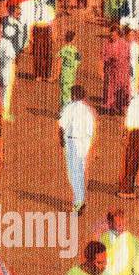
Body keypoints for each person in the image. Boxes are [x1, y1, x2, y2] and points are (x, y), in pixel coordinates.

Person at [59, 85, 96, 214]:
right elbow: (90, 131)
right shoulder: (87, 110)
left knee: (73, 173)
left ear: (74, 95)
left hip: (71, 141)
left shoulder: (69, 107)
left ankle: (78, 202)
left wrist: (61, 141)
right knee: (80, 171)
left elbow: (62, 126)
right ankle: (80, 200)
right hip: (83, 142)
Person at [57, 30, 81, 107]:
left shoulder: (64, 49)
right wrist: (75, 67)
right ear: (73, 39)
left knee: (64, 92)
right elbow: (79, 60)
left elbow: (58, 62)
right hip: (72, 73)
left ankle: (64, 110)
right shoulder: (75, 50)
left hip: (65, 72)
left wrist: (56, 74)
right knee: (70, 91)